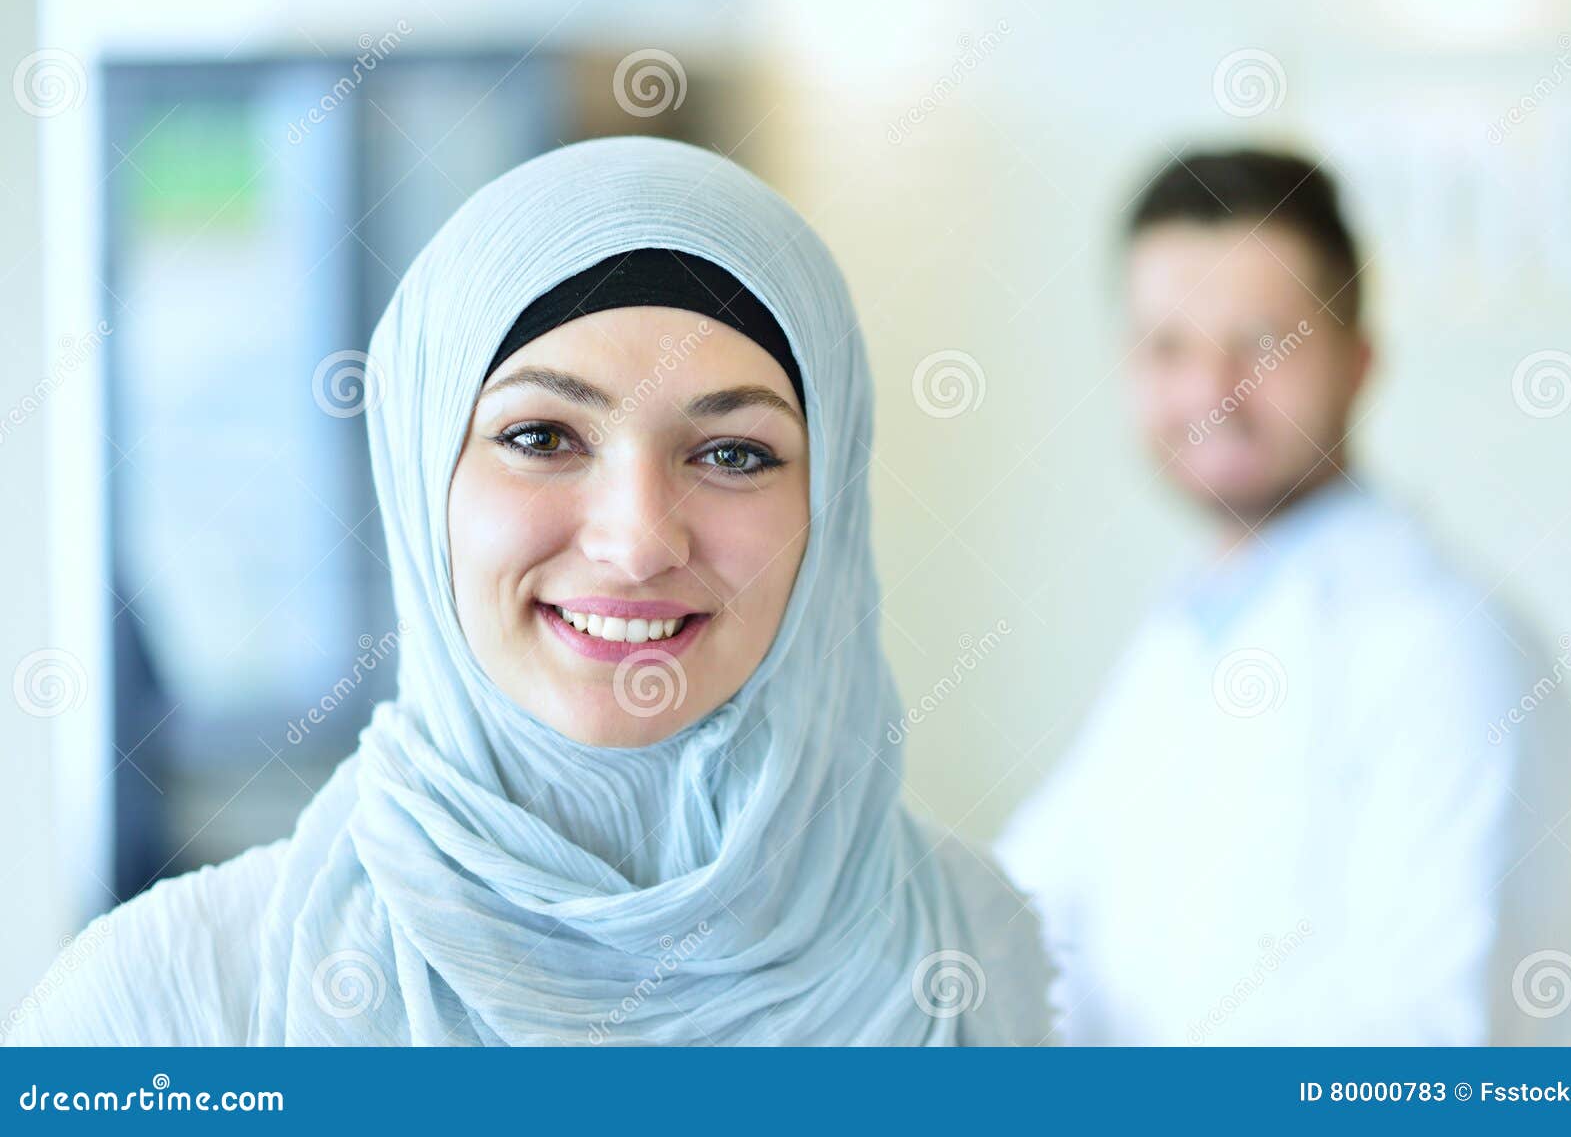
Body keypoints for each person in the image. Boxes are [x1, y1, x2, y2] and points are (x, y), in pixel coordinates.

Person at [8, 136, 1049, 1046]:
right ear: (423, 485)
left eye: (733, 452)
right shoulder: (170, 1008)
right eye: (540, 437)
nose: (638, 541)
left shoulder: (970, 943)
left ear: (832, 505)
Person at [997, 148, 1571, 1045]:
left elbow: (1439, 1062)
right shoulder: (1188, 629)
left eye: (1263, 342)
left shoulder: (1448, 650)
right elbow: (1020, 918)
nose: (1209, 391)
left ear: (1359, 360)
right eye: (1168, 346)